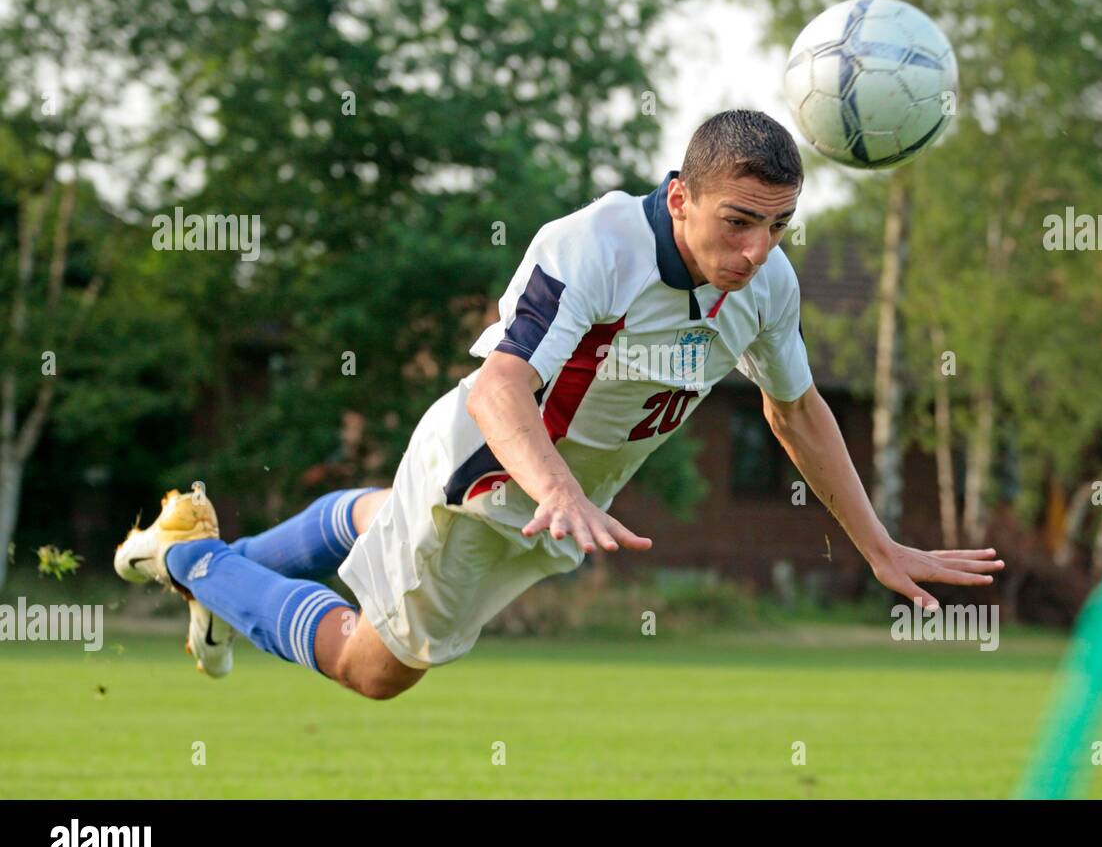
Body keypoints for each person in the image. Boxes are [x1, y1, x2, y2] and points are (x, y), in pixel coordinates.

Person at [114, 109, 1003, 700]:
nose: (758, 249)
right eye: (739, 221)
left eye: (777, 226)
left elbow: (797, 411)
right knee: (378, 670)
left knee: (383, 520)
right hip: (492, 468)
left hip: (558, 500)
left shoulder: (769, 286)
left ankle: (218, 555)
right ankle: (194, 564)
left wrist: (878, 543)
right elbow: (503, 382)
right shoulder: (594, 245)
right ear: (680, 196)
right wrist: (555, 490)